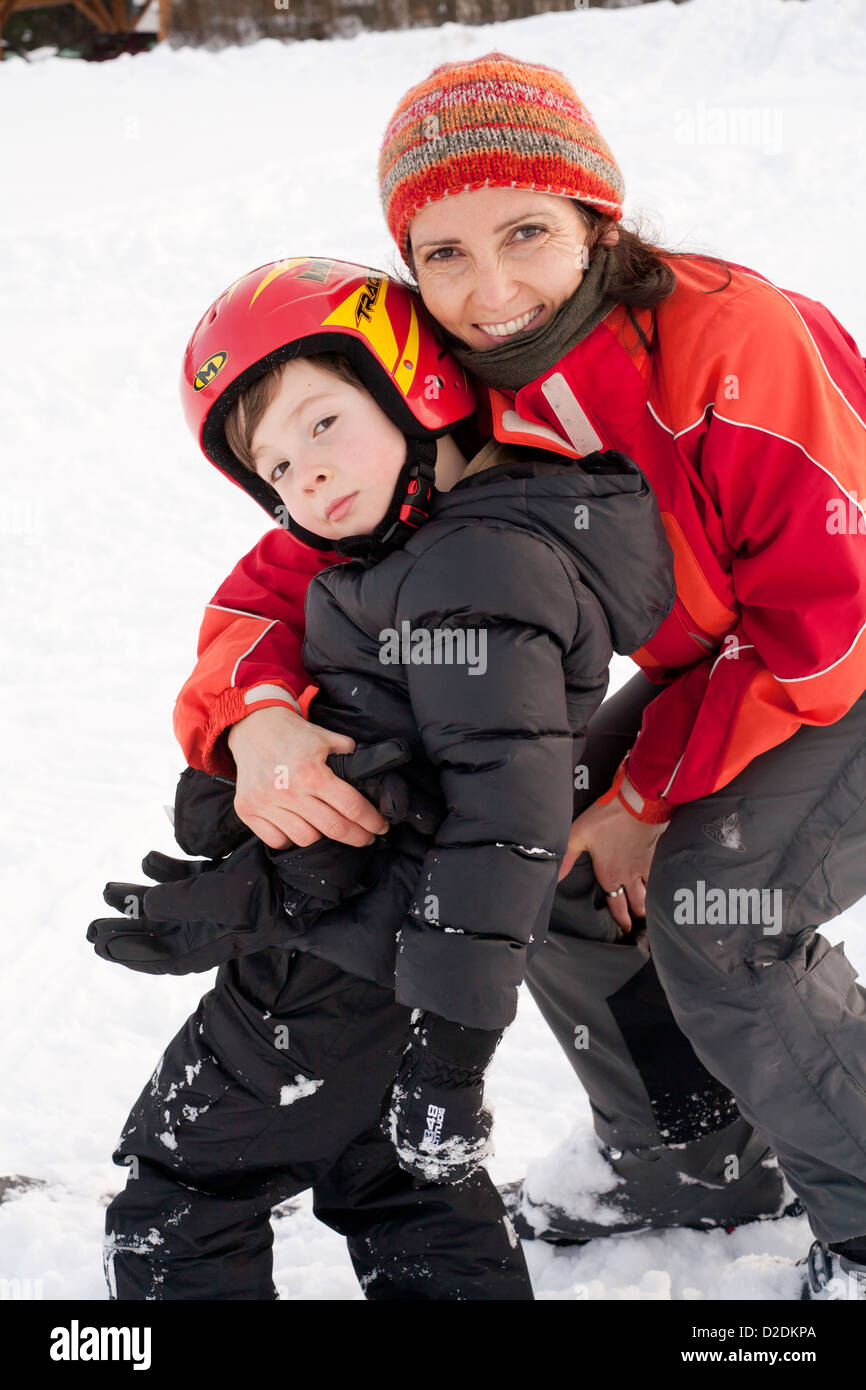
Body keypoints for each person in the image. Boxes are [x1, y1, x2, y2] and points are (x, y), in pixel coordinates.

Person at [175, 53, 866, 1296]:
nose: (488, 289)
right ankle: (683, 1159)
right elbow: (278, 578)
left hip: (835, 650)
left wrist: (645, 798)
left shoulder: (730, 340)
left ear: (596, 216)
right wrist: (255, 719)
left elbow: (821, 624)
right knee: (546, 854)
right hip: (739, 660)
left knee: (721, 909)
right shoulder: (453, 391)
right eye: (441, 252)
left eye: (525, 231)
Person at [89, 258, 674, 1300]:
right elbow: (270, 631)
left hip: (336, 964)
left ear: (417, 383)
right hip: (383, 958)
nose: (302, 474)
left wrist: (445, 1051)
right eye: (273, 467)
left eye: (320, 423)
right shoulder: (436, 543)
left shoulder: (470, 565)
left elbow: (505, 820)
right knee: (399, 1184)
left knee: (182, 1188)